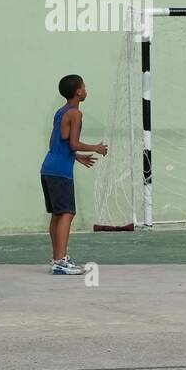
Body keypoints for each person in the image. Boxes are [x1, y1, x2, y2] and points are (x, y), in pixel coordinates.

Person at [39, 75, 107, 275]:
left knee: (57, 214)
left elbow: (56, 143)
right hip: (60, 171)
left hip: (48, 168)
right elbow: (73, 143)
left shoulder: (60, 112)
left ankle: (57, 258)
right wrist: (95, 147)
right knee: (67, 213)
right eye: (84, 86)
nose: (86, 90)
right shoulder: (76, 114)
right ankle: (60, 261)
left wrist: (77, 156)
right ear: (78, 91)